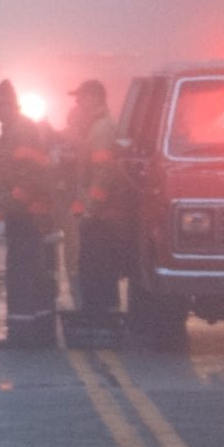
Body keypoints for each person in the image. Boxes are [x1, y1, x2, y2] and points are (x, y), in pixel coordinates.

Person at [0, 79, 61, 349]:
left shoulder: (20, 131)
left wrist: (11, 205)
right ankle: (40, 332)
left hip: (26, 216)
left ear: (7, 105)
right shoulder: (16, 130)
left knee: (20, 277)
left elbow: (29, 176)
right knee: (35, 276)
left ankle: (21, 335)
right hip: (27, 215)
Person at [65, 78, 135, 317]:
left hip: (101, 217)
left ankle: (102, 320)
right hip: (97, 213)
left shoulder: (102, 129)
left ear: (94, 98)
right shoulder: (95, 127)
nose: (77, 102)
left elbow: (102, 173)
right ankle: (103, 316)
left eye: (81, 97)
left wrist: (91, 209)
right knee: (98, 272)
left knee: (98, 271)